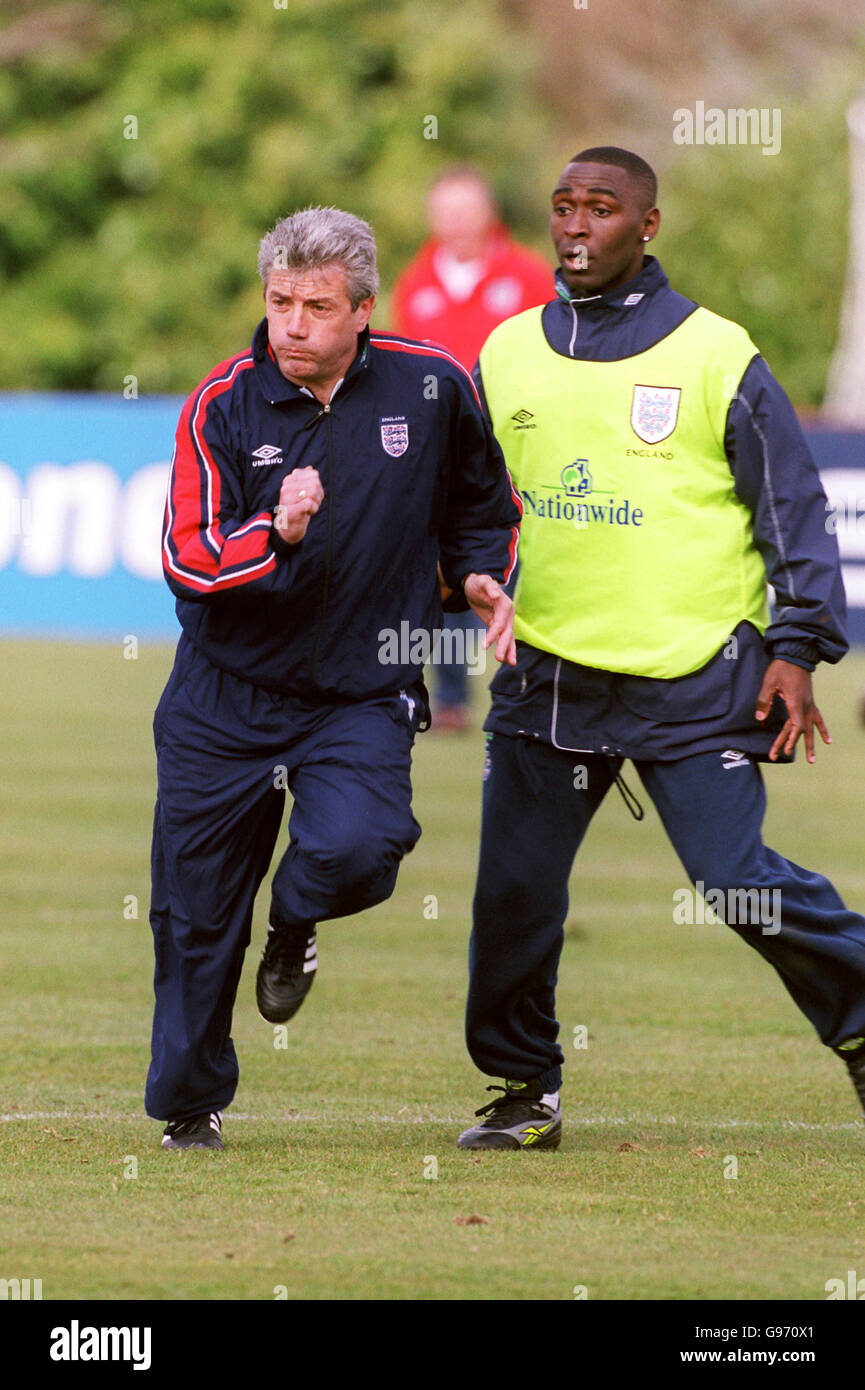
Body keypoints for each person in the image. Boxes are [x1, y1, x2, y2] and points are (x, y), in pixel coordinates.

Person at [457, 146, 865, 1151]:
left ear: (646, 227)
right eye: (561, 207)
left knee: (737, 880)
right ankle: (524, 1091)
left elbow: (794, 513)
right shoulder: (504, 350)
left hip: (694, 680)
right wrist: (457, 572)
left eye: (600, 208)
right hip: (549, 679)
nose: (575, 225)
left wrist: (797, 647)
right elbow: (461, 499)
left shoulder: (715, 352)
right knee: (513, 891)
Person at [147, 206, 520, 1151]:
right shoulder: (220, 404)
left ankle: (295, 921)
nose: (293, 326)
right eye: (279, 303)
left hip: (363, 686)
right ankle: (192, 1107)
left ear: (362, 308)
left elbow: (484, 502)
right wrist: (274, 530)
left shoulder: (432, 388)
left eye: (317, 306)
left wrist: (479, 575)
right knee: (193, 920)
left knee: (357, 849)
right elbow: (189, 559)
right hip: (224, 695)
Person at [392, 167, 551, 729]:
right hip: (440, 451)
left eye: (467, 209)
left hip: (518, 446)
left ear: (489, 213)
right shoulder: (416, 282)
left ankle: (530, 679)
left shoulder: (528, 275)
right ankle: (452, 697)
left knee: (524, 562)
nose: (457, 221)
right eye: (446, 210)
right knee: (450, 567)